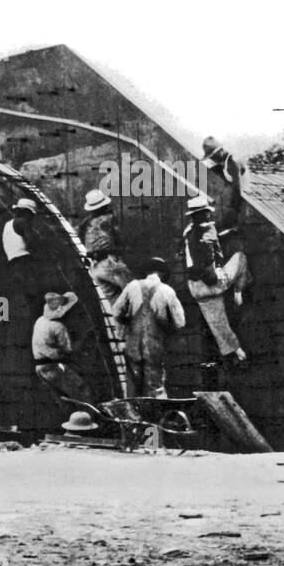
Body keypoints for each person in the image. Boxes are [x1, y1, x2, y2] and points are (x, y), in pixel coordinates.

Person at [180, 194, 250, 365]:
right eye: (207, 213)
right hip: (211, 283)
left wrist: (228, 233)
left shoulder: (188, 231)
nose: (210, 216)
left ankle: (237, 352)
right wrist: (215, 274)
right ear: (203, 214)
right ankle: (238, 292)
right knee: (241, 258)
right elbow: (207, 251)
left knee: (219, 324)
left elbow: (206, 242)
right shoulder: (208, 232)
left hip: (196, 289)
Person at [110, 256, 186, 398]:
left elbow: (115, 312)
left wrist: (128, 323)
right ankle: (156, 417)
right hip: (155, 345)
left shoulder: (132, 286)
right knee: (155, 386)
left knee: (133, 385)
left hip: (132, 345)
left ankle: (134, 416)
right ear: (162, 273)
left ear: (146, 272)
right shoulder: (167, 291)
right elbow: (180, 322)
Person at [32, 291, 93, 401]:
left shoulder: (40, 321)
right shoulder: (58, 327)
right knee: (82, 394)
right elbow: (69, 350)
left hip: (41, 369)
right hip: (54, 367)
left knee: (63, 400)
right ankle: (86, 417)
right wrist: (84, 338)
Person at [77, 189, 132, 301]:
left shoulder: (86, 223)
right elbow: (120, 238)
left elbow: (81, 239)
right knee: (134, 291)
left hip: (95, 265)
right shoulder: (110, 219)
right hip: (110, 261)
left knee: (113, 299)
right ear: (104, 205)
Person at [2, 197, 44, 318]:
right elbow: (31, 243)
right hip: (24, 262)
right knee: (35, 296)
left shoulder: (7, 225)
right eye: (31, 214)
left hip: (12, 264)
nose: (32, 218)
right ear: (26, 212)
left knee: (22, 298)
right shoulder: (22, 222)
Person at [201, 136, 246, 233]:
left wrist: (233, 210)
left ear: (221, 150)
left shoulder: (234, 161)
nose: (213, 158)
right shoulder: (223, 161)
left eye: (214, 155)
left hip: (241, 200)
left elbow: (237, 188)